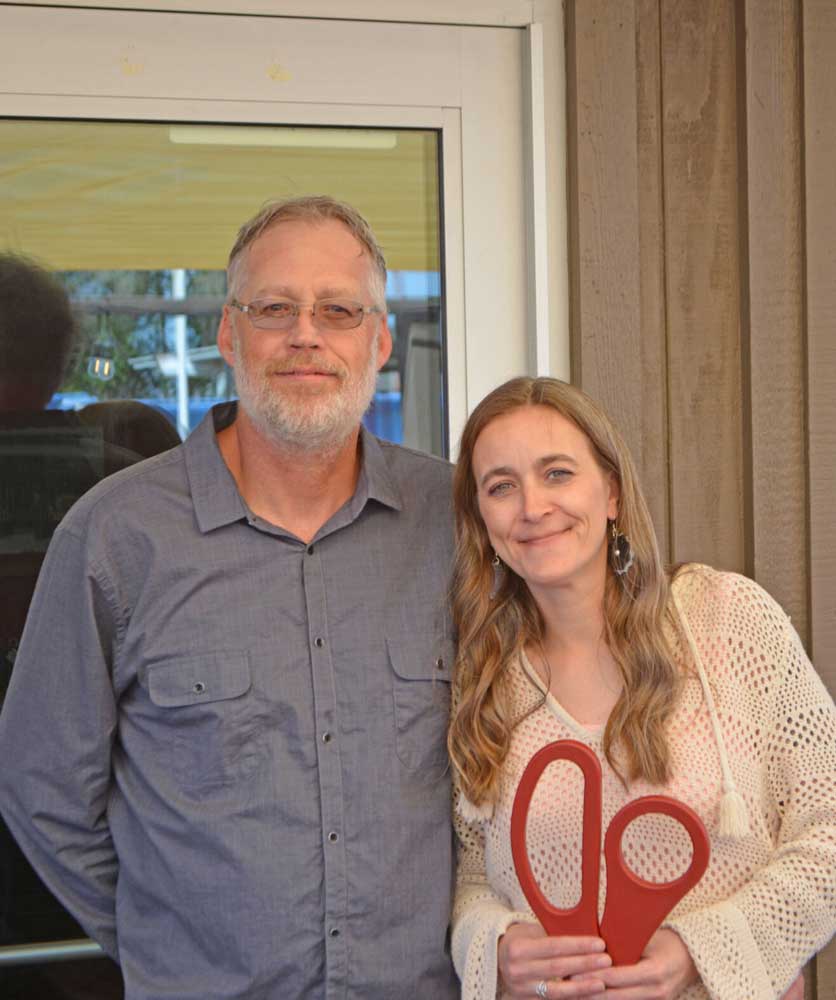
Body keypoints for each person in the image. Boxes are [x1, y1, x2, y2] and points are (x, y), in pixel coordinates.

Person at [0, 197, 458, 999]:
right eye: (274, 308)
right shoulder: (116, 537)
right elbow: (42, 788)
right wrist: (168, 941)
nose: (306, 334)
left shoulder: (455, 524)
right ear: (227, 333)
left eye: (338, 310)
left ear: (380, 341)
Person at [447, 376, 835, 1000]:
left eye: (557, 474)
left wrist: (700, 953)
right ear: (481, 521)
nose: (532, 507)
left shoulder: (726, 619)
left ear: (612, 493)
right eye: (501, 487)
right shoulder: (487, 678)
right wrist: (494, 944)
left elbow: (829, 831)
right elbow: (472, 875)